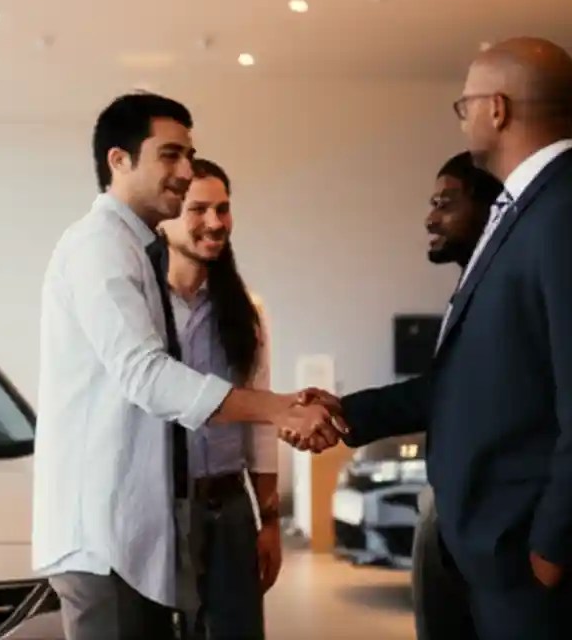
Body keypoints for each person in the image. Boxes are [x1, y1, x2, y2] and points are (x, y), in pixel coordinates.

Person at [292, 37, 572, 639]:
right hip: (487, 553)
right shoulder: (525, 212)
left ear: (497, 109)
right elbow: (473, 382)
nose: (463, 115)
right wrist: (349, 412)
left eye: (464, 103)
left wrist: (551, 549)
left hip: (530, 566)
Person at [32, 91, 345, 640]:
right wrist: (277, 408)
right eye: (170, 156)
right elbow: (148, 377)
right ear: (119, 160)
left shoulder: (138, 252)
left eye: (188, 155)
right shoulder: (98, 248)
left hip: (146, 527)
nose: (183, 172)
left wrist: (266, 508)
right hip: (107, 537)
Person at [157, 159, 280, 640]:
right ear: (167, 218)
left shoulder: (245, 310)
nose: (214, 222)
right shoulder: (143, 307)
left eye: (223, 209)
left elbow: (261, 422)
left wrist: (269, 519)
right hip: (163, 503)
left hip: (229, 507)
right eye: (198, 208)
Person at [413, 151, 503, 640]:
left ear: (491, 209)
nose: (430, 217)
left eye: (445, 203)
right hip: (454, 511)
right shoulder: (471, 286)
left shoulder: (505, 287)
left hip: (496, 527)